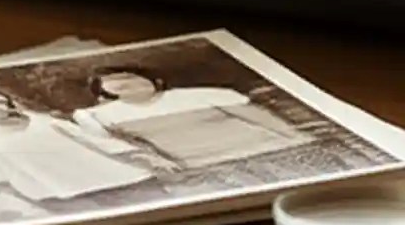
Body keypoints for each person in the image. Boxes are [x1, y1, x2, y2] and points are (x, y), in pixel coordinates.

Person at [0, 89, 166, 212]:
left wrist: (145, 156)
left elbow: (96, 140)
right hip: (62, 196)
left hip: (126, 180)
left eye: (0, 99)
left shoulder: (40, 120)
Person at [71, 66, 315, 170]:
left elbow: (267, 120)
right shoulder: (103, 116)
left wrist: (301, 140)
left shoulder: (206, 94)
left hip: (275, 150)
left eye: (132, 79)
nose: (130, 87)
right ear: (103, 95)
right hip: (203, 165)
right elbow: (125, 148)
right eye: (119, 87)